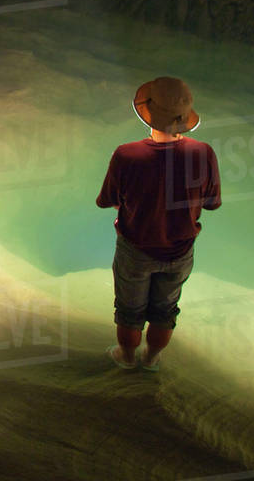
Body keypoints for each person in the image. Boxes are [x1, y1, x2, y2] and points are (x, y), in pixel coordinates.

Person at [96, 76, 221, 371]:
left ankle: (126, 358)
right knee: (165, 311)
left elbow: (108, 199)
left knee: (129, 311)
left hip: (135, 250)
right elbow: (211, 203)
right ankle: (151, 360)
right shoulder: (203, 154)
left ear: (148, 112)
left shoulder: (127, 155)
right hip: (180, 251)